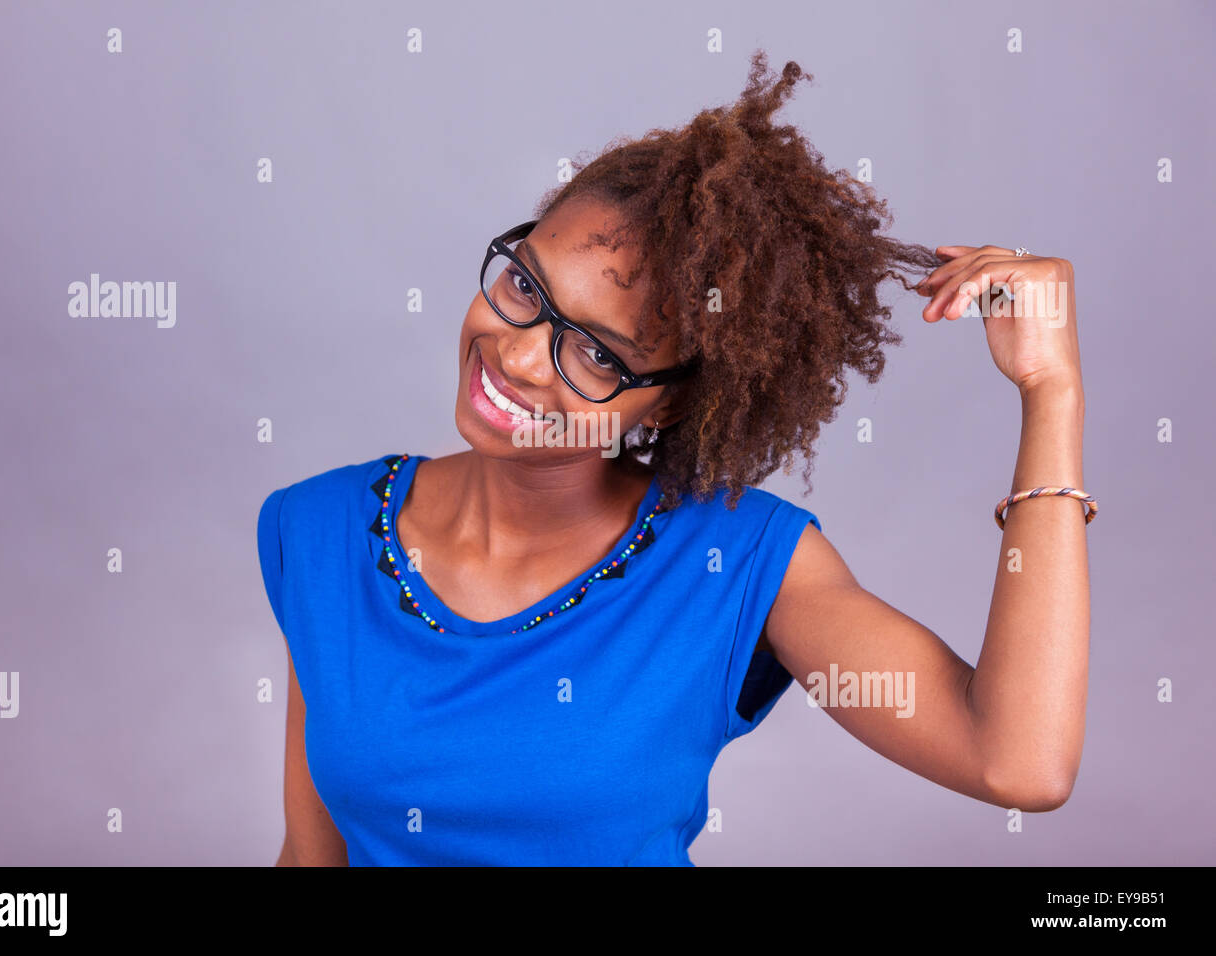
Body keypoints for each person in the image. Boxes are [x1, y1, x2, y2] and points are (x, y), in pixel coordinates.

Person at [258, 51, 1091, 866]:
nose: (515, 357)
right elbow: (310, 854)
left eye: (596, 355)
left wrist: (1050, 390)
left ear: (675, 399)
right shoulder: (319, 529)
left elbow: (1017, 760)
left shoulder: (737, 562)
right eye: (525, 288)